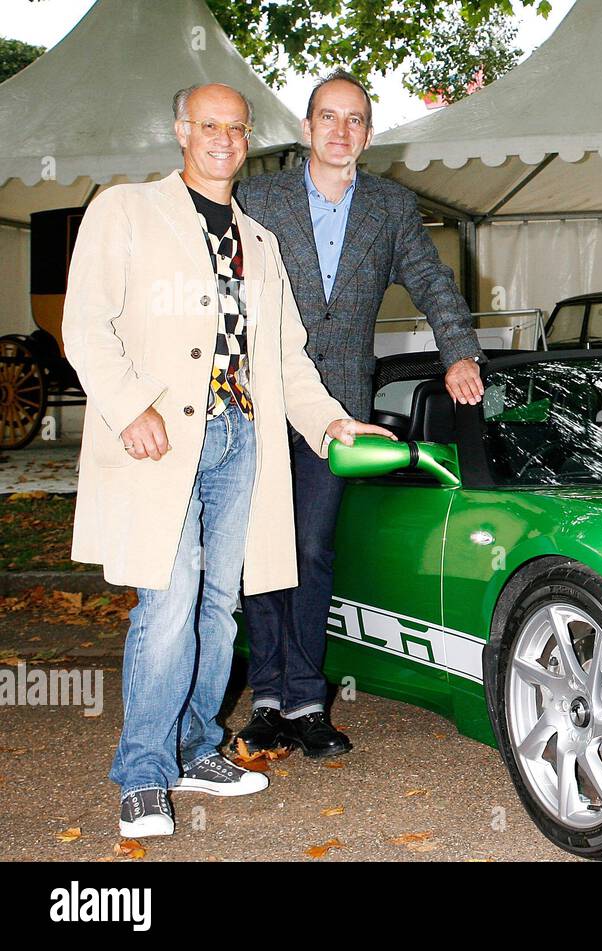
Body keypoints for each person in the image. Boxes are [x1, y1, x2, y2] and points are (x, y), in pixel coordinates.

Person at [63, 82, 394, 837]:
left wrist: (333, 425)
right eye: (209, 125)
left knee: (221, 606)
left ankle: (194, 744)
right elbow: (86, 324)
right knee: (170, 602)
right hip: (163, 437)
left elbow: (289, 361)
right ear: (181, 128)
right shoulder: (126, 210)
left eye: (236, 128)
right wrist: (127, 405)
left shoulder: (260, 241)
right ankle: (142, 771)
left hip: (241, 437)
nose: (223, 138)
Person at [232, 70, 486, 759]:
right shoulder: (257, 197)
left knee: (311, 546)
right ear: (308, 128)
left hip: (338, 406)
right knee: (264, 548)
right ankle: (267, 701)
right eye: (328, 117)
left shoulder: (392, 206)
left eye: (355, 120)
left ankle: (308, 700)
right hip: (256, 399)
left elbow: (433, 281)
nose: (341, 130)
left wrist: (458, 352)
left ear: (367, 135)